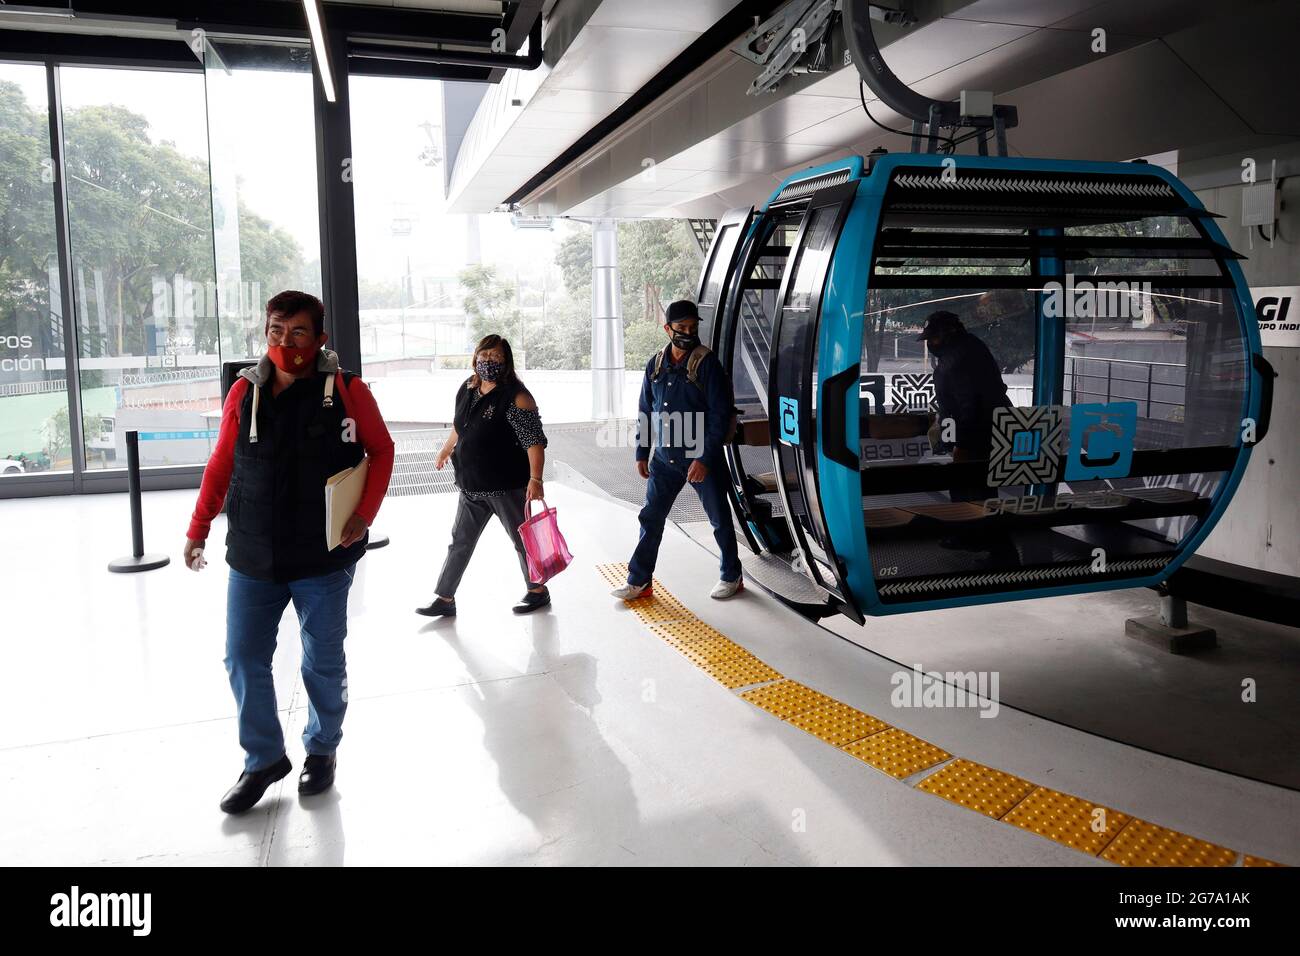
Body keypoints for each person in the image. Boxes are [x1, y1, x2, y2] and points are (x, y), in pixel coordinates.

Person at [184, 290, 394, 814]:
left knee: (322, 660)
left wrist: (364, 514)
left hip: (322, 558)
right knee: (242, 657)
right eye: (276, 330)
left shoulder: (347, 391)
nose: (285, 341)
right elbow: (221, 463)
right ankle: (263, 759)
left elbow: (382, 450)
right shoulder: (244, 393)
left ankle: (321, 750)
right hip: (253, 555)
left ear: (319, 338)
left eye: (298, 332)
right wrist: (198, 527)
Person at [611, 299, 743, 601]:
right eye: (681, 327)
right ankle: (639, 580)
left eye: (692, 327)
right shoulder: (655, 364)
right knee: (651, 517)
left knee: (719, 518)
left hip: (700, 456)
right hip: (664, 458)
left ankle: (731, 575)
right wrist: (641, 453)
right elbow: (645, 409)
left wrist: (705, 458)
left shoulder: (706, 363)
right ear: (667, 328)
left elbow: (719, 416)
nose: (687, 332)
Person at [418, 334, 551, 617]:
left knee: (522, 540)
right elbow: (460, 426)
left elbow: (534, 442)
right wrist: (446, 449)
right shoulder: (468, 388)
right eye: (484, 356)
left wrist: (535, 480)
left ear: (506, 362)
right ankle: (445, 597)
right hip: (471, 484)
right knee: (460, 542)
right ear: (475, 357)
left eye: (495, 357)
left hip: (507, 486)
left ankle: (538, 591)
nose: (488, 362)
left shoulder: (517, 397)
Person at [918, 309, 1012, 501]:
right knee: (984, 489)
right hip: (987, 432)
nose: (930, 343)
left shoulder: (956, 358)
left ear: (948, 334)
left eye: (934, 338)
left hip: (973, 437)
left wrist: (962, 444)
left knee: (967, 491)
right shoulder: (971, 345)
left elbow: (969, 404)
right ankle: (986, 526)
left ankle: (971, 527)